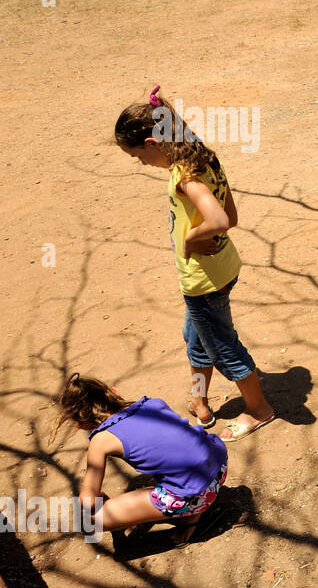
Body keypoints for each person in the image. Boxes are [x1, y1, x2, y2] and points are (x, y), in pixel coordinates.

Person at [114, 88, 275, 442]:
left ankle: (259, 409)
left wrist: (189, 239)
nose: (141, 163)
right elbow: (232, 216)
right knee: (197, 339)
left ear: (153, 142)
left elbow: (218, 219)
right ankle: (199, 401)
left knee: (223, 347)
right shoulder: (206, 159)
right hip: (222, 267)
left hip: (204, 280)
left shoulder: (185, 176)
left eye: (138, 155)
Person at [53, 373, 228, 543]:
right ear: (114, 392)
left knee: (91, 519)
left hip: (198, 493)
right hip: (219, 466)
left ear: (82, 425)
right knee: (178, 463)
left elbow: (88, 501)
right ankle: (192, 509)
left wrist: (98, 497)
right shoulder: (152, 404)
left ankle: (192, 512)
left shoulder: (101, 440)